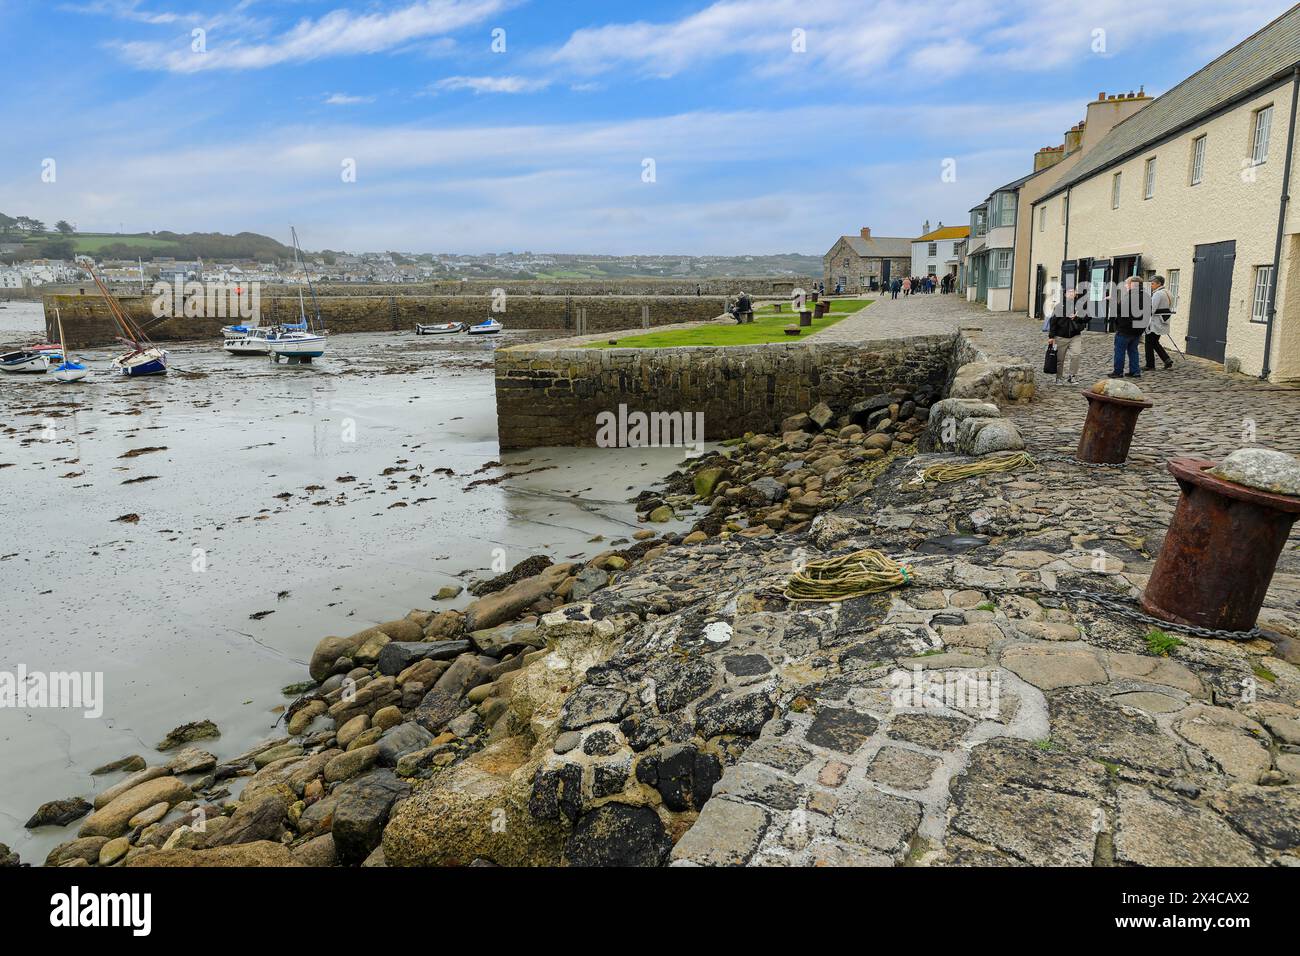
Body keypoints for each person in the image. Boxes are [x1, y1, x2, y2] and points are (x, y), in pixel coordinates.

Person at [1109, 275, 1148, 378]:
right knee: (1133, 350)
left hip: (1125, 329)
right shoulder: (1145, 296)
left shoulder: (1129, 296)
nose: (1125, 286)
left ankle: (1118, 372)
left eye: (1127, 283)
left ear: (1132, 284)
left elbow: (1120, 310)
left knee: (1119, 351)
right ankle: (1135, 371)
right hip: (1138, 329)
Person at [1048, 286, 1087, 384]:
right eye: (1069, 292)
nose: (1071, 293)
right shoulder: (1060, 306)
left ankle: (1072, 376)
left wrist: (1077, 317)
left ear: (1075, 294)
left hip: (1075, 336)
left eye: (1073, 291)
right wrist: (1051, 337)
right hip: (1061, 337)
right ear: (1065, 294)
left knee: (1076, 355)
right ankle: (1059, 378)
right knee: (1060, 359)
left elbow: (1088, 317)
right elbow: (1053, 322)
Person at [1145, 276, 1175, 370]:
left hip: (1155, 322)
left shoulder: (1158, 294)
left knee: (1149, 342)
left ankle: (1150, 365)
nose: (1151, 286)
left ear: (1159, 284)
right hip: (1163, 320)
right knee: (1154, 342)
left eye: (1153, 284)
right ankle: (1167, 360)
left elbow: (1152, 309)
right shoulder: (1168, 292)